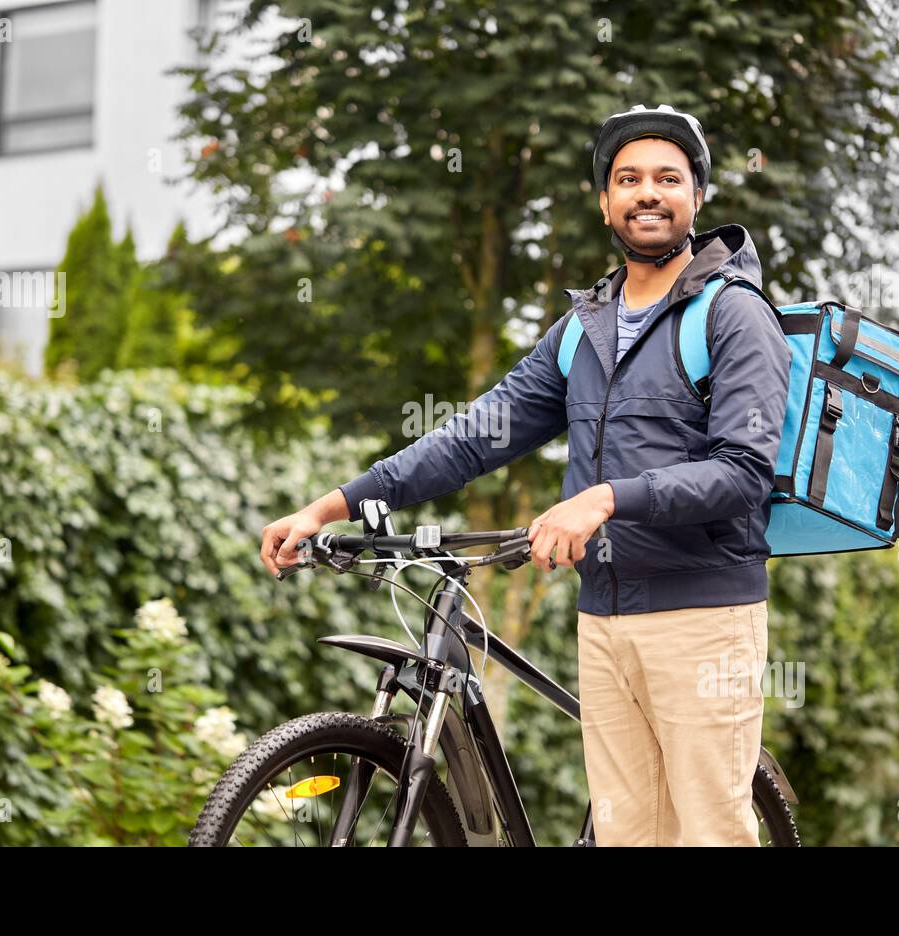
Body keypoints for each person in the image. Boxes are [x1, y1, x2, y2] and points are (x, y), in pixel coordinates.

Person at [259, 104, 792, 846]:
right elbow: (475, 437)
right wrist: (334, 504)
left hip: (703, 620)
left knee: (709, 834)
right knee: (629, 836)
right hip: (604, 618)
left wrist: (603, 500)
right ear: (604, 201)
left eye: (668, 178)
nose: (648, 192)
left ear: (696, 199)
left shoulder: (733, 316)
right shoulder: (584, 327)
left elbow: (742, 474)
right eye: (627, 178)